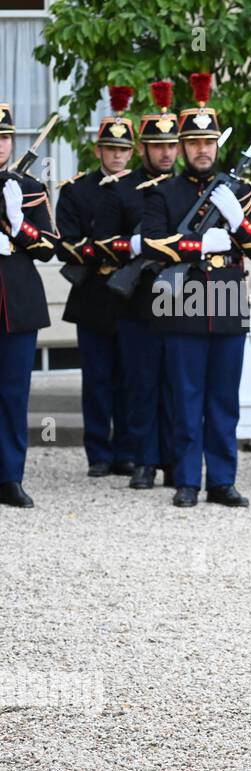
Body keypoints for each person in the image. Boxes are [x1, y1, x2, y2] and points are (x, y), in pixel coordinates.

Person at [140, 72, 251, 508]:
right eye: (194, 143)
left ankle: (222, 480)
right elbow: (150, 242)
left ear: (217, 146)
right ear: (183, 147)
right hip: (179, 296)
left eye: (209, 142)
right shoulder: (163, 191)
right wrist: (196, 243)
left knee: (224, 398)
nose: (202, 149)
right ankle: (187, 479)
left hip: (226, 296)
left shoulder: (240, 192)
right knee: (185, 397)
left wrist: (238, 221)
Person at [94, 79, 181, 491]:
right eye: (157, 146)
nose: (166, 153)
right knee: (141, 384)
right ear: (143, 149)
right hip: (138, 300)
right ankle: (143, 459)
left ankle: (175, 463)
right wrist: (135, 245)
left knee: (177, 386)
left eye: (171, 146)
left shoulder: (185, 190)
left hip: (183, 301)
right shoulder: (121, 190)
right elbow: (102, 242)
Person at [56, 86, 136, 479]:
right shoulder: (77, 191)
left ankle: (126, 450)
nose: (117, 155)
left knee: (130, 378)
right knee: (98, 380)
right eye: (110, 149)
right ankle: (98, 453)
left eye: (123, 149)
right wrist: (102, 249)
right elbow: (67, 243)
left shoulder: (143, 190)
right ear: (98, 151)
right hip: (92, 294)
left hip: (132, 295)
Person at [0, 101, 57, 508]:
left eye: (3, 138)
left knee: (13, 394)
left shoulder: (30, 187)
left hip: (15, 305)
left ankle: (9, 477)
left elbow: (49, 247)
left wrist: (19, 222)